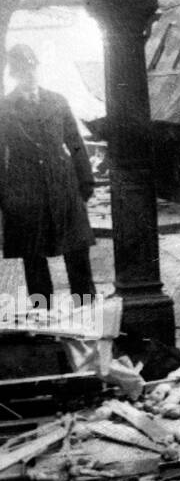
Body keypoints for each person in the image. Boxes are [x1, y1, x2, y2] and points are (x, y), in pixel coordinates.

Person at [0, 43, 96, 305]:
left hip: (62, 183)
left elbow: (75, 142)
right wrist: (5, 197)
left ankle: (87, 310)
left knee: (77, 251)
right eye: (22, 70)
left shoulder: (57, 100)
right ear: (14, 73)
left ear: (37, 69)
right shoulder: (5, 108)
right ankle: (43, 316)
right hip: (25, 188)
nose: (29, 75)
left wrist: (85, 181)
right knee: (34, 258)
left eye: (32, 69)